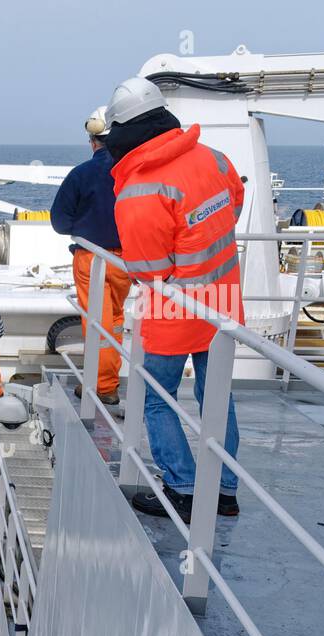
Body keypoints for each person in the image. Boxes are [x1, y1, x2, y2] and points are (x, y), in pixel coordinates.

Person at [105, 76, 245, 521]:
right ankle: (225, 492)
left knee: (156, 396)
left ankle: (183, 489)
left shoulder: (138, 191)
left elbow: (145, 270)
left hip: (174, 307)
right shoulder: (213, 159)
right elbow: (233, 205)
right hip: (222, 299)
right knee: (216, 394)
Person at [50, 105, 131, 409]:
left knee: (98, 323)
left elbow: (60, 222)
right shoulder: (134, 172)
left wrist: (83, 225)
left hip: (91, 259)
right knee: (115, 320)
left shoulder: (81, 174)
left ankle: (103, 387)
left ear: (93, 141)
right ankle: (106, 378)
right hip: (127, 260)